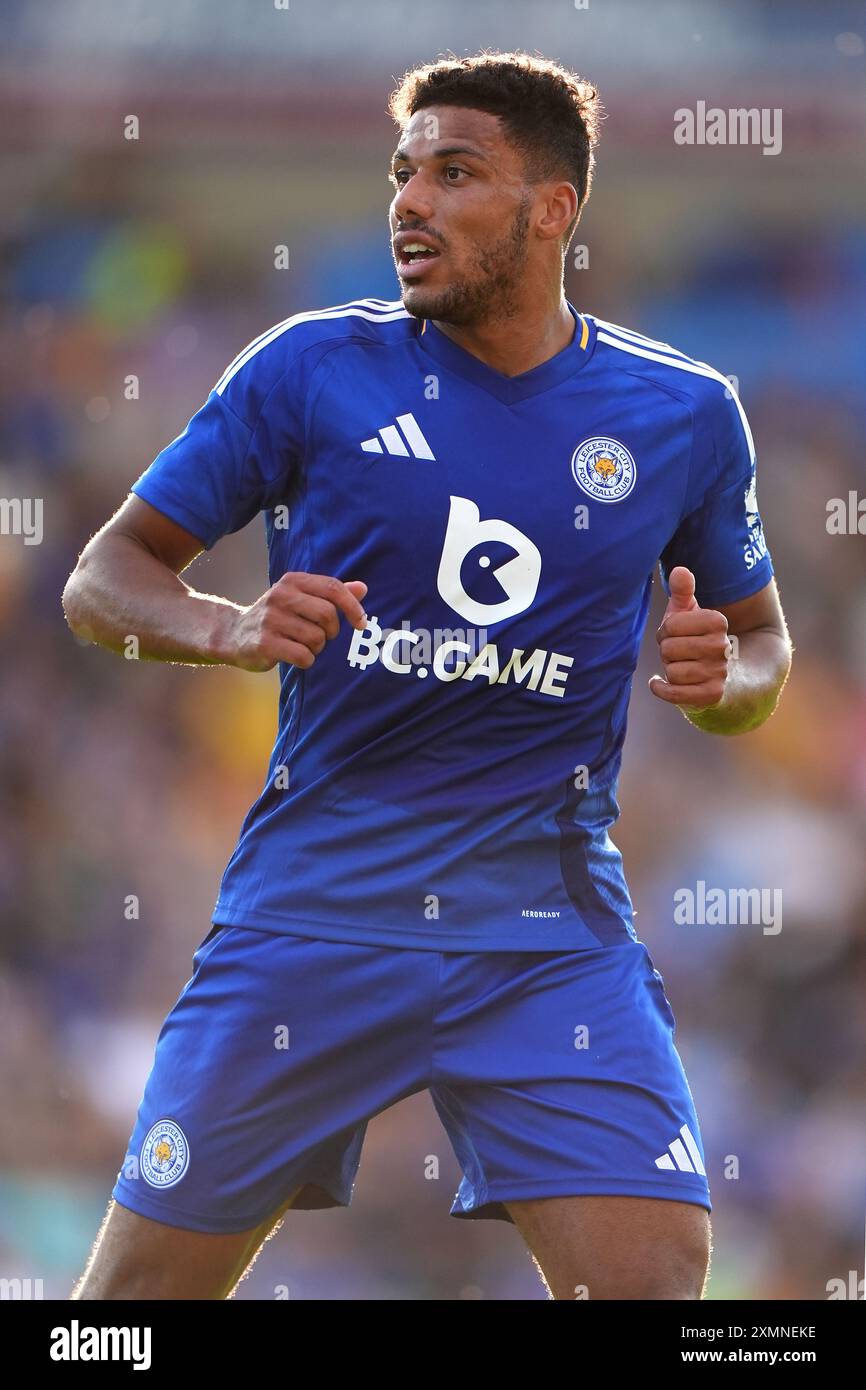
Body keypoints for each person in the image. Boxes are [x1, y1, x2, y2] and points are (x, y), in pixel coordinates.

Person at [62, 51, 792, 1300]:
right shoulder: (310, 368)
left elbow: (761, 649)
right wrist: (228, 628)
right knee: (126, 1315)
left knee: (656, 1281)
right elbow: (101, 582)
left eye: (455, 173)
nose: (409, 201)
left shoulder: (681, 413)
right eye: (402, 173)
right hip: (313, 915)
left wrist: (725, 680)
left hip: (542, 934)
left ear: (550, 209)